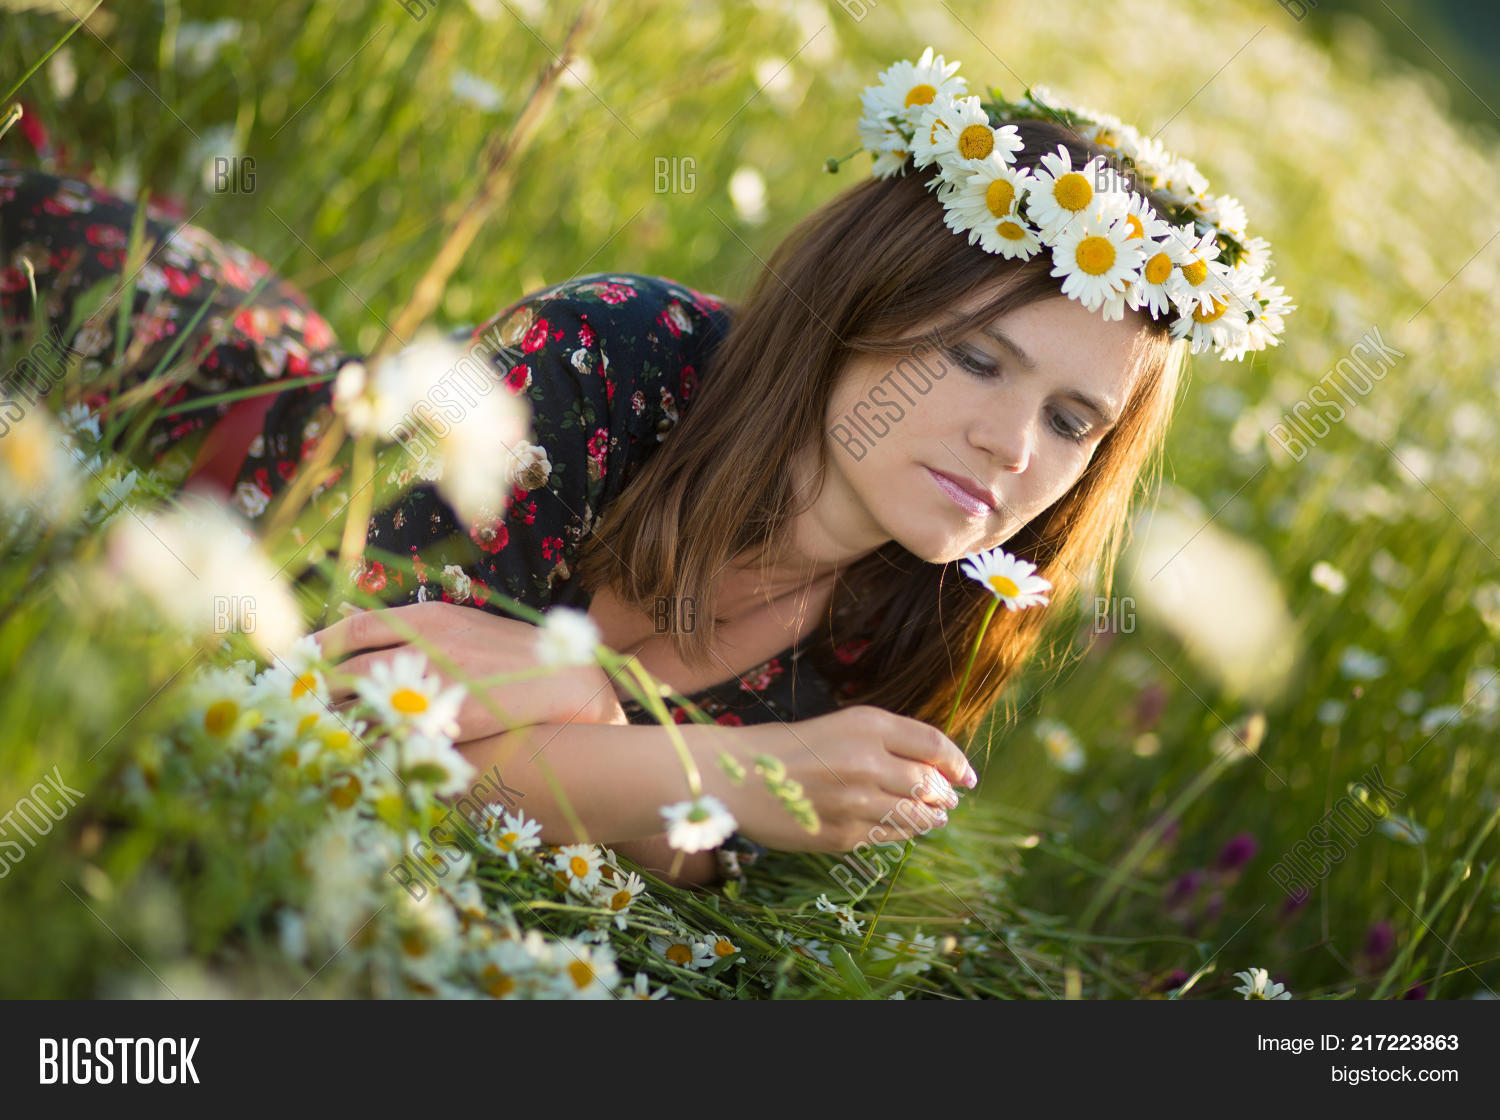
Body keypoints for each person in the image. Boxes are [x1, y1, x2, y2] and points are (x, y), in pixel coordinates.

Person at [0, 46, 1291, 887]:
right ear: (858, 309)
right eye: (974, 360)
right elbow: (331, 685)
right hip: (141, 366)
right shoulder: (621, 354)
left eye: (1074, 422)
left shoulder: (923, 628)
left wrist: (585, 715)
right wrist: (716, 767)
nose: (1011, 449)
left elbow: (643, 854)